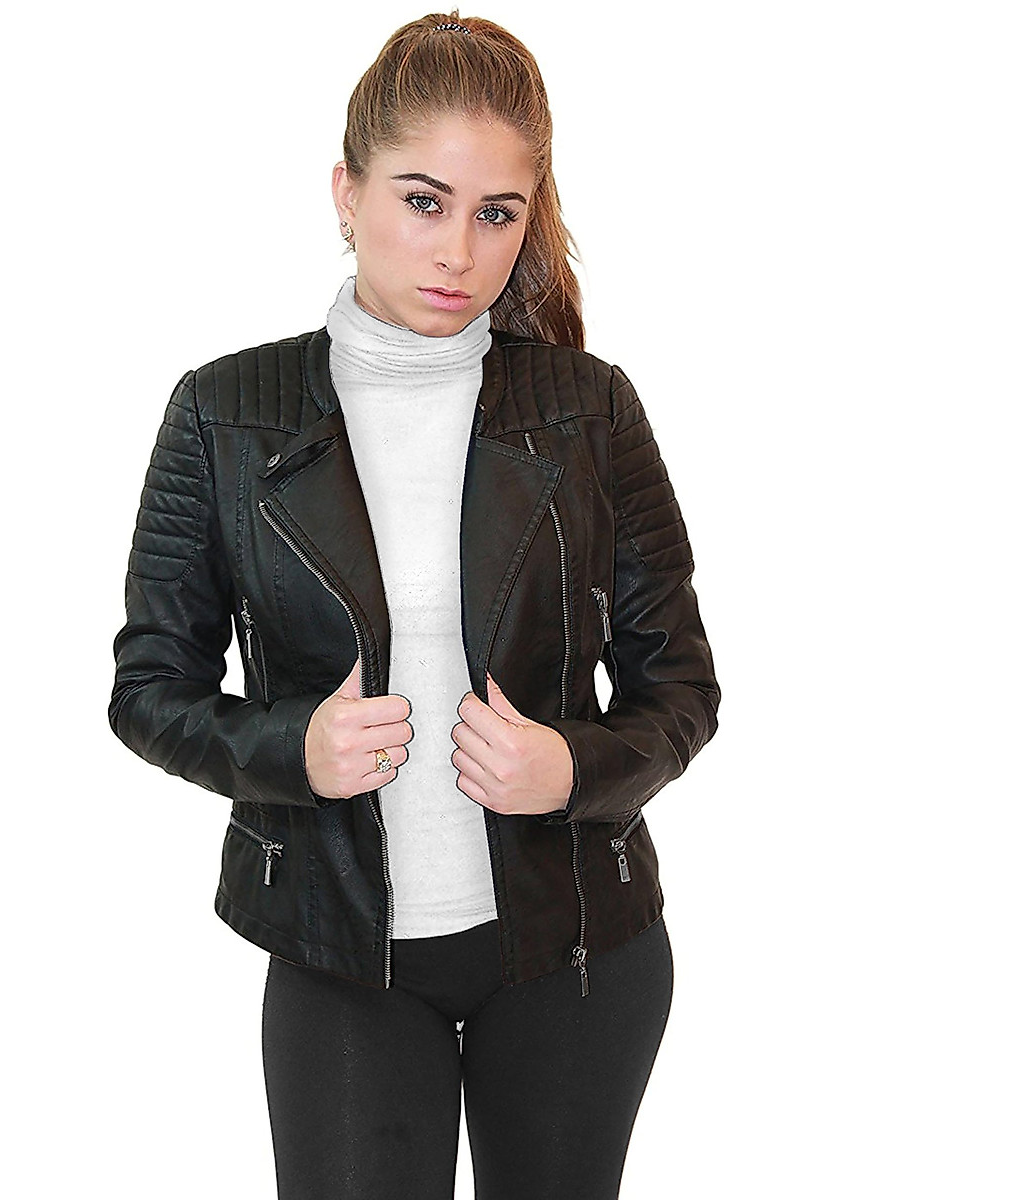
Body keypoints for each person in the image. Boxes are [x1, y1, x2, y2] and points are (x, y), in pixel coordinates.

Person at [108, 10, 720, 1198]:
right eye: (422, 201)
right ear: (346, 192)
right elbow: (148, 691)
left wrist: (572, 769)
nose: (458, 252)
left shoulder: (589, 409)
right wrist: (293, 748)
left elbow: (680, 691)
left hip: (577, 948)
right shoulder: (225, 414)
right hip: (340, 955)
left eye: (497, 214)